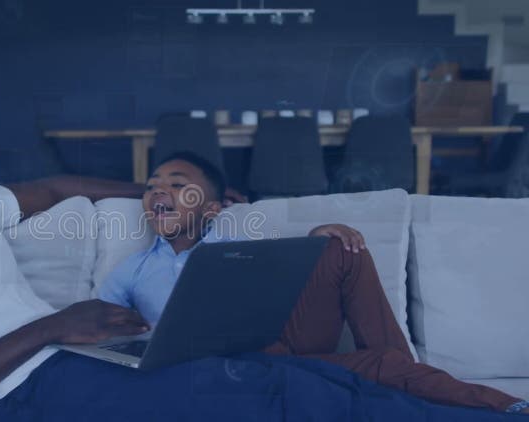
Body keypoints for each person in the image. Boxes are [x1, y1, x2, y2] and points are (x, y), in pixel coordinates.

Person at [0, 83, 529, 422]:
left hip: (77, 363)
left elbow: (56, 186)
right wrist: (52, 326)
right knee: (277, 394)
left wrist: (164, 189)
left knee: (296, 376)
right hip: (18, 398)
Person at [98, 151, 529, 414]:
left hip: (278, 343)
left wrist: (315, 240)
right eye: (152, 187)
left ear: (211, 209)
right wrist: (123, 329)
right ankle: (487, 401)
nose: (158, 192)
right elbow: (101, 331)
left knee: (339, 247)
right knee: (385, 366)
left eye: (177, 186)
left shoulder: (236, 244)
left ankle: (409, 379)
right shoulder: (131, 271)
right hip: (228, 369)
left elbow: (286, 289)